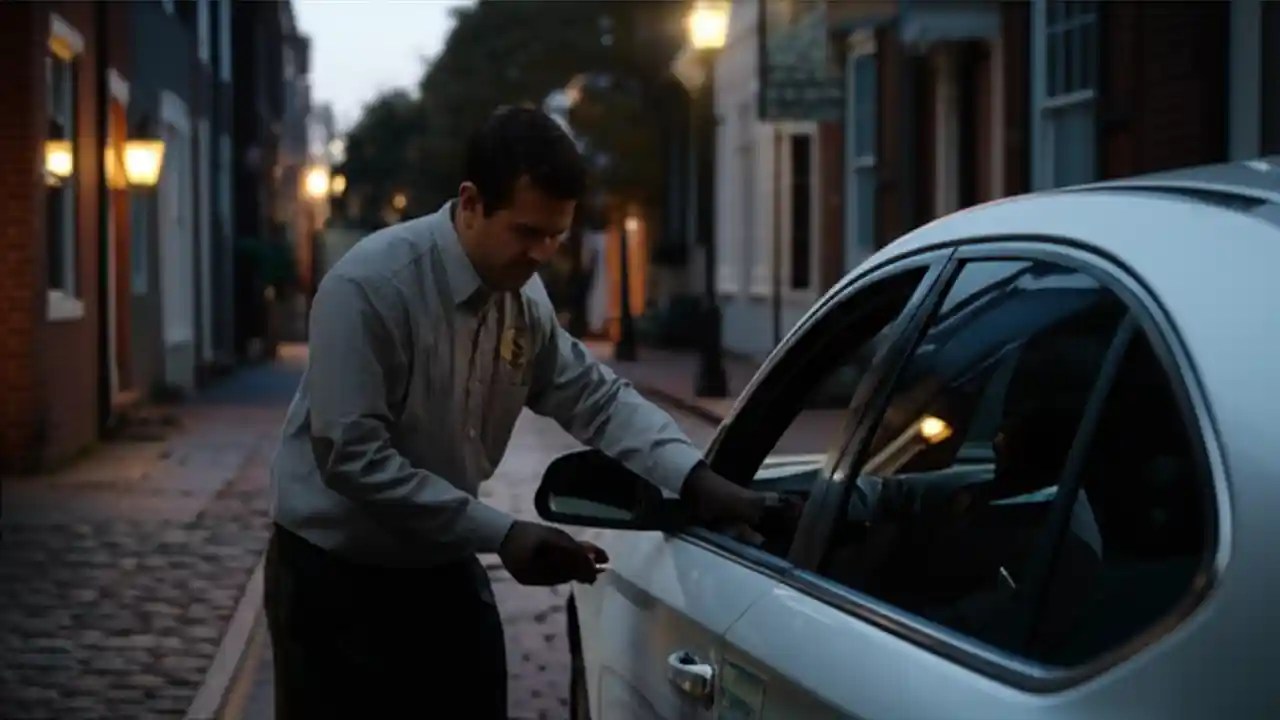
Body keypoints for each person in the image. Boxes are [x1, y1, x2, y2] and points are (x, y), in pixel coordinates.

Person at [264, 105, 774, 719]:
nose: (543, 253)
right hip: (334, 578)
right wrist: (502, 535)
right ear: (472, 202)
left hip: (440, 562)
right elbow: (353, 458)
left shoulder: (523, 294)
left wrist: (697, 479)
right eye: (528, 232)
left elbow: (593, 396)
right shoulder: (370, 289)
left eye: (556, 235)